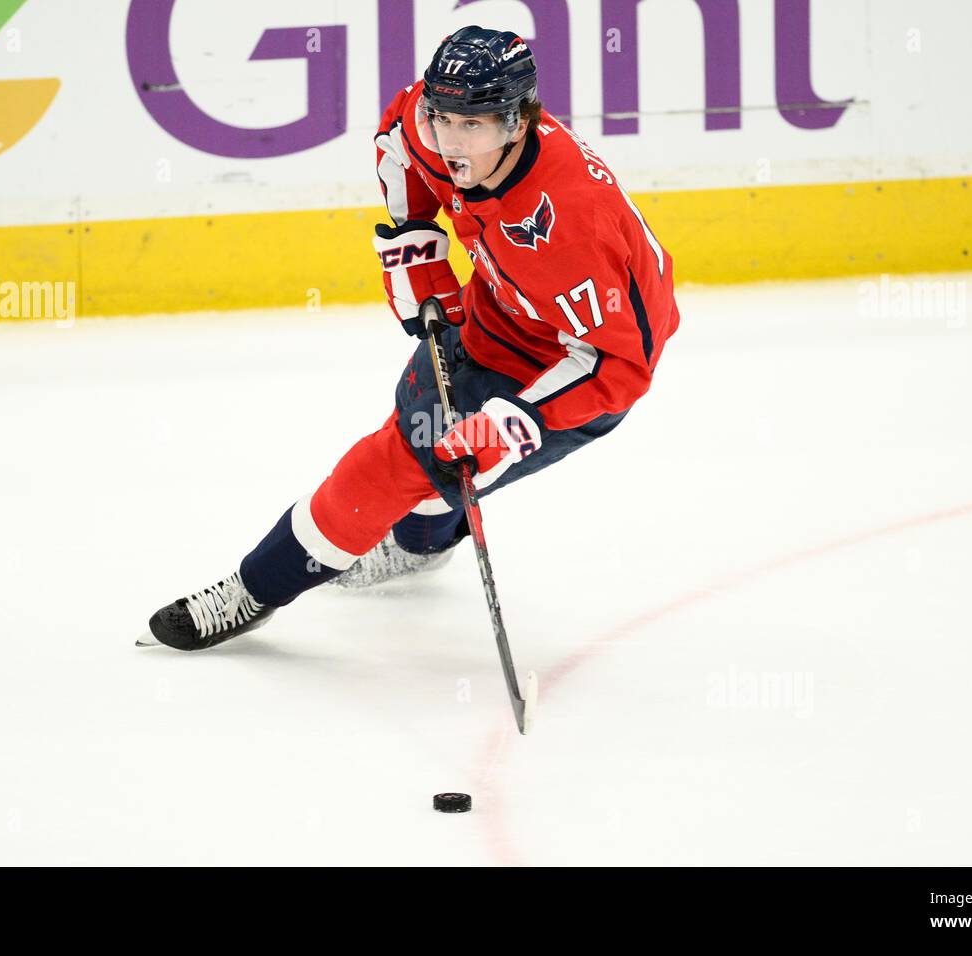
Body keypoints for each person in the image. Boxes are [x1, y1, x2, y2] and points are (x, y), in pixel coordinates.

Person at [146, 25, 680, 651]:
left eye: (472, 125)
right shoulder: (431, 127)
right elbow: (399, 140)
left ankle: (254, 589)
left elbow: (619, 365)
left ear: (518, 123)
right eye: (443, 117)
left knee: (399, 461)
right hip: (494, 315)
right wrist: (416, 246)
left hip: (569, 370)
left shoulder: (573, 224)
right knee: (432, 439)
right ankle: (420, 548)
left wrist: (513, 421)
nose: (450, 142)